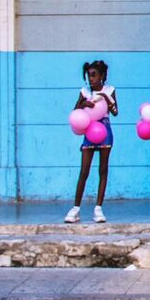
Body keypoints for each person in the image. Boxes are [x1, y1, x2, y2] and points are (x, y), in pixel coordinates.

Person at [66, 60, 117, 223]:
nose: (91, 79)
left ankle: (98, 208)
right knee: (84, 171)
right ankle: (75, 208)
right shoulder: (84, 91)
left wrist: (106, 99)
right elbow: (75, 112)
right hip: (89, 130)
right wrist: (83, 103)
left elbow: (115, 112)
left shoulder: (110, 90)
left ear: (102, 76)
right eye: (89, 75)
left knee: (103, 170)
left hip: (104, 130)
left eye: (94, 75)